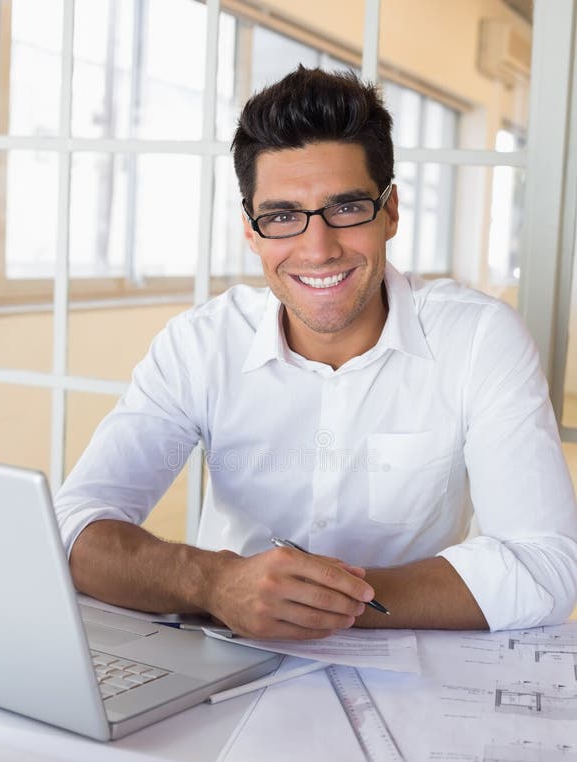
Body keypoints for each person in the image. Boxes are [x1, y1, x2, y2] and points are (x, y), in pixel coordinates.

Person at [55, 65, 577, 638]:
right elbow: (75, 527)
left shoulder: (479, 339)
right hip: (222, 659)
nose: (318, 248)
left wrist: (320, 601)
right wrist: (213, 583)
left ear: (391, 212)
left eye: (347, 209)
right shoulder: (199, 344)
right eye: (282, 217)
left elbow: (544, 566)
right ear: (251, 231)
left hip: (407, 673)